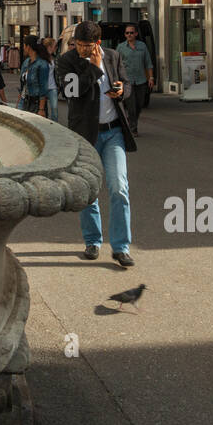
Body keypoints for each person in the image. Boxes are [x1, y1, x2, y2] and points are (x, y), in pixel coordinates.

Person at [56, 20, 136, 267]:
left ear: (97, 43)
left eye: (86, 45)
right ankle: (93, 241)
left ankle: (121, 248)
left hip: (113, 132)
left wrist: (121, 91)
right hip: (85, 134)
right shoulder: (67, 61)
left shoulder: (113, 56)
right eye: (78, 44)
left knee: (119, 188)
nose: (81, 49)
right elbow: (71, 92)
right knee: (89, 190)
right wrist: (93, 67)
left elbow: (127, 84)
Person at [117, 25, 154, 135]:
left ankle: (130, 120)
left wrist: (151, 78)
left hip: (141, 80)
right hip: (127, 81)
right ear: (125, 35)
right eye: (127, 33)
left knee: (139, 104)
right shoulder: (121, 47)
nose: (129, 35)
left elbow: (148, 63)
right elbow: (116, 64)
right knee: (131, 106)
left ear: (136, 34)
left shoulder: (142, 46)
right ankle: (133, 128)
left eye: (131, 33)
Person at [18, 37, 50, 118]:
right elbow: (22, 85)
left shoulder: (42, 64)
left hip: (36, 104)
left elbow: (44, 88)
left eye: (24, 46)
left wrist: (41, 109)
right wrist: (18, 104)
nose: (23, 48)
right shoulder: (26, 62)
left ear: (28, 47)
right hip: (24, 101)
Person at [41, 35, 60, 122]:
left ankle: (55, 126)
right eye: (55, 46)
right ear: (49, 47)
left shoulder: (54, 58)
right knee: (43, 109)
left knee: (54, 110)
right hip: (43, 87)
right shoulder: (41, 58)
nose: (56, 48)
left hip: (53, 87)